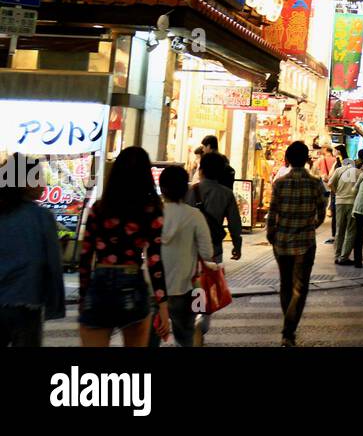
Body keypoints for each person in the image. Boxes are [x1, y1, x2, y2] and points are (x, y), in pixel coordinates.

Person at [78, 146, 169, 347]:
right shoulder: (151, 210)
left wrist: (84, 296)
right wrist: (163, 306)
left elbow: (85, 256)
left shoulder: (99, 209)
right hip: (132, 281)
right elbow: (155, 261)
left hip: (100, 281)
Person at [265, 141, 327, 347]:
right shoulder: (315, 182)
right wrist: (312, 225)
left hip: (282, 242)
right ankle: (288, 331)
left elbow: (272, 213)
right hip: (305, 243)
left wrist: (271, 233)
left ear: (288, 159)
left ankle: (288, 328)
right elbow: (321, 211)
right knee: (300, 288)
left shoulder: (280, 183)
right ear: (307, 159)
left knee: (285, 285)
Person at [0, 156, 65, 346]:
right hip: (27, 301)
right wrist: (55, 305)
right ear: (24, 182)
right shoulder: (41, 217)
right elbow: (53, 264)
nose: (42, 182)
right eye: (38, 176)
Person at [152, 166, 212, 348]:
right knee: (186, 337)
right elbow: (207, 253)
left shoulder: (153, 215)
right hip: (186, 288)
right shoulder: (195, 216)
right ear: (185, 190)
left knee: (148, 340)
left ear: (161, 188)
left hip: (154, 290)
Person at [187, 151, 243, 264]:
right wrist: (237, 245)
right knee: (213, 278)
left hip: (191, 247)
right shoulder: (226, 194)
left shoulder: (191, 191)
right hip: (214, 248)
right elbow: (234, 223)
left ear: (201, 170)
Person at [328, 150, 361, 264]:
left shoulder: (338, 170)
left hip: (339, 202)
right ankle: (344, 257)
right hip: (352, 202)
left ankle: (337, 256)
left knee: (339, 230)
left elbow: (330, 184)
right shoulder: (358, 172)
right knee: (350, 230)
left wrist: (336, 192)